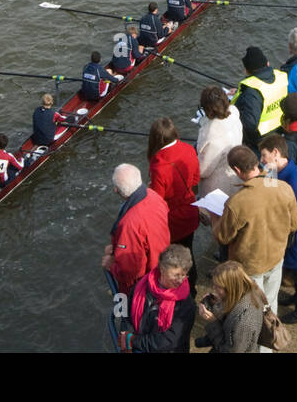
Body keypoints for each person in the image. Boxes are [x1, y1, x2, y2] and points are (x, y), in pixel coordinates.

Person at [211, 144, 297, 320]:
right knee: (271, 302)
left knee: (252, 311)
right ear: (256, 162)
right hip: (276, 257)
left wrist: (215, 217)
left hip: (250, 266)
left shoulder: (237, 202)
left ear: (236, 170)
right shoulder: (283, 187)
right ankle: (271, 339)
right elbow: (294, 224)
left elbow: (223, 236)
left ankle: (258, 343)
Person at [258, 134, 297, 324]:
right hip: (291, 234)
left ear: (276, 153)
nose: (261, 160)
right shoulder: (278, 171)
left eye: (264, 155)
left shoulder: (294, 184)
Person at [102, 163, 171, 294]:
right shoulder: (154, 196)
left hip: (142, 285)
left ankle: (124, 312)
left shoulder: (129, 224)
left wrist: (111, 266)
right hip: (161, 265)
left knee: (127, 310)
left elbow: (129, 270)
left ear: (116, 190)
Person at [148, 117, 201, 287]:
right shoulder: (188, 149)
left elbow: (157, 200)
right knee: (188, 252)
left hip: (173, 221)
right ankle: (191, 285)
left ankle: (182, 290)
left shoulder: (158, 165)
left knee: (175, 260)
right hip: (191, 211)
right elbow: (195, 179)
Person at [116, 244, 195, 353]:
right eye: (176, 275)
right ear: (162, 269)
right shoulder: (141, 287)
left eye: (184, 275)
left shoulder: (186, 304)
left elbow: (169, 340)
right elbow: (127, 314)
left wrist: (133, 341)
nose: (180, 280)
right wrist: (126, 336)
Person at [196, 260, 264, 353]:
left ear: (231, 288)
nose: (213, 288)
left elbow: (229, 350)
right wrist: (219, 302)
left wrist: (212, 322)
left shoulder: (243, 321)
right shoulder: (247, 291)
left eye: (218, 286)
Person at [233, 46, 289, 149]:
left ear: (246, 71)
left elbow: (249, 125)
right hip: (281, 128)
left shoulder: (252, 91)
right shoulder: (281, 76)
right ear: (267, 63)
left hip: (260, 139)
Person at [194, 86, 244, 201]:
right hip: (236, 176)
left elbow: (203, 171)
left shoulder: (211, 134)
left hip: (217, 188)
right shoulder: (234, 114)